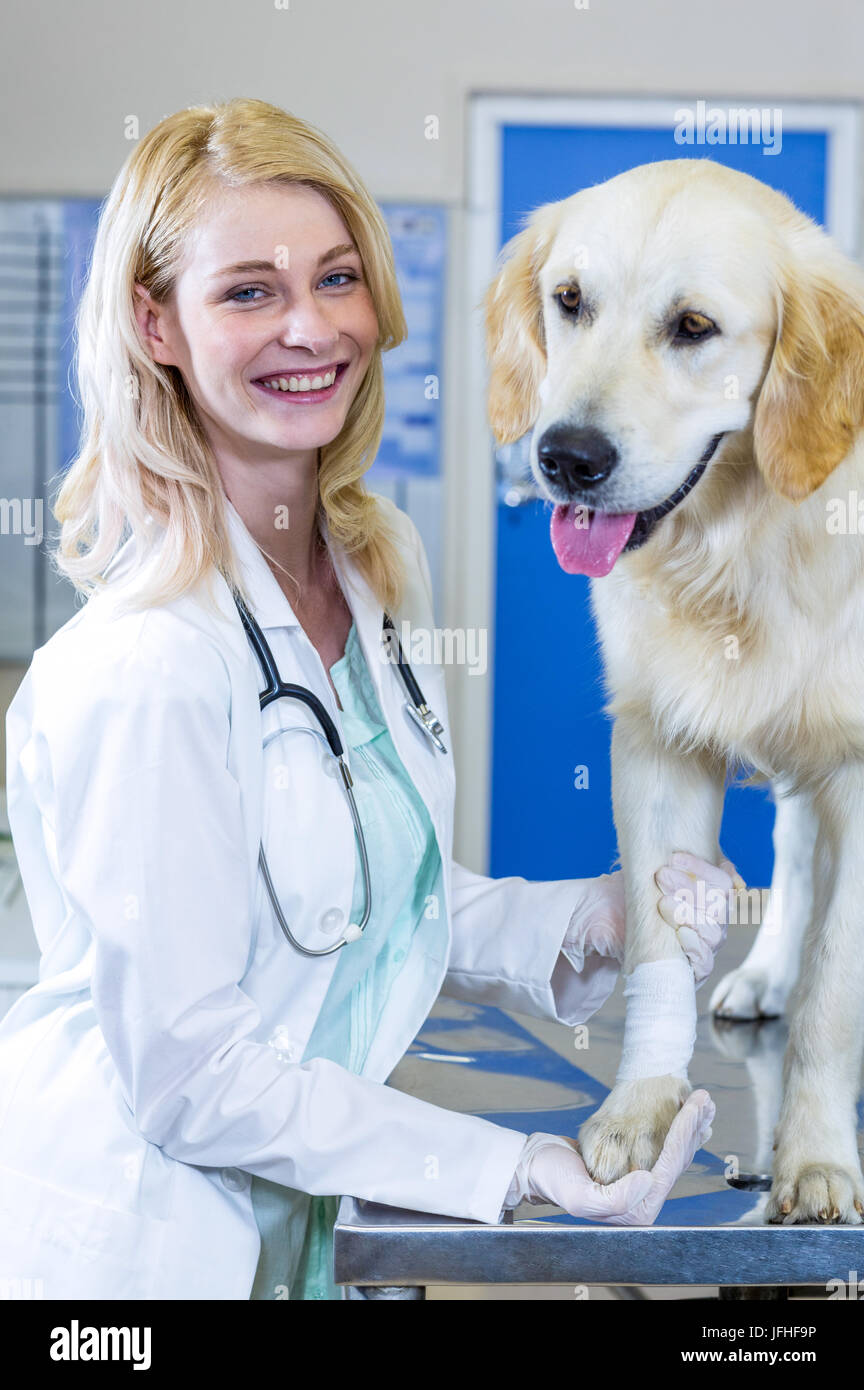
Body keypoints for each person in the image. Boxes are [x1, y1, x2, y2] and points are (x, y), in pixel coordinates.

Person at [0, 98, 742, 1301]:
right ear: (156, 322)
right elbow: (193, 1074)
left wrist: (589, 919)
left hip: (292, 1238)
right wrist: (514, 1163)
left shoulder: (369, 561)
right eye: (248, 291)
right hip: (126, 1262)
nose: (310, 325)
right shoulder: (146, 667)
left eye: (336, 277)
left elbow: (361, 894)